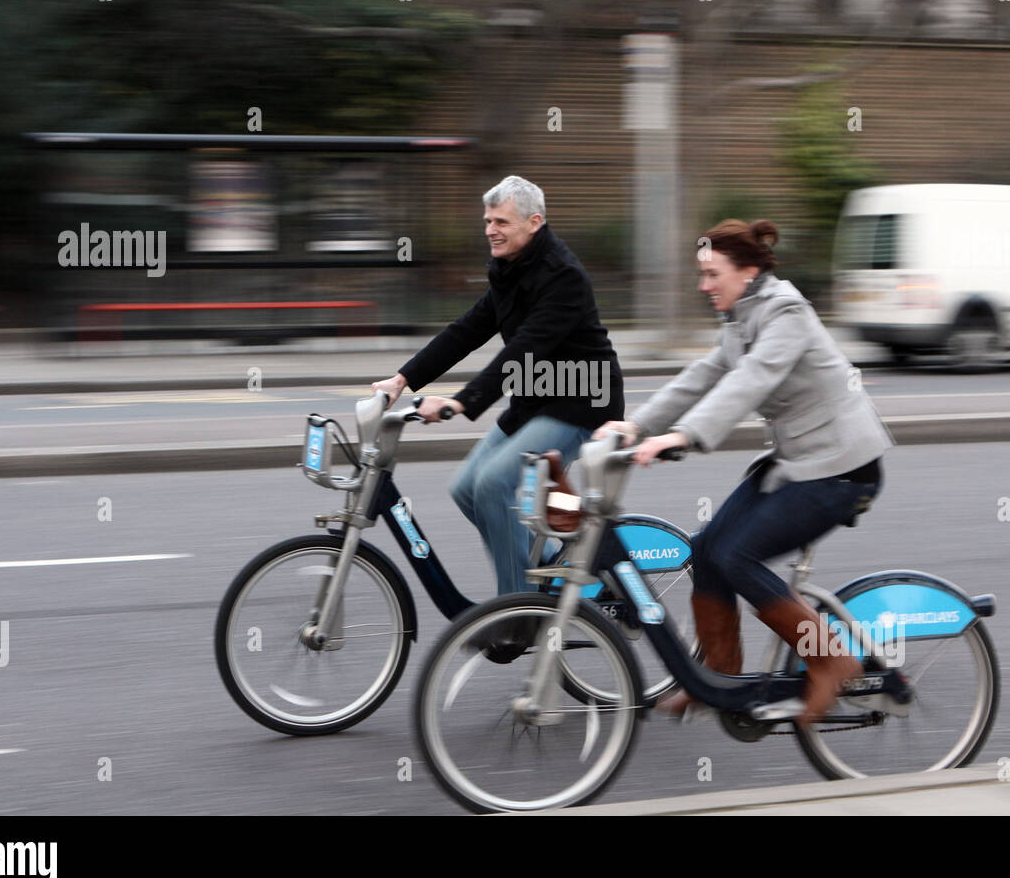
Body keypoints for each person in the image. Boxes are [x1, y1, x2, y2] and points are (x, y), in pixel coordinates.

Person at [594, 218, 894, 726]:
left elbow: (752, 382)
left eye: (712, 273)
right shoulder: (739, 318)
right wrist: (638, 425)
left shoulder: (786, 313)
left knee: (737, 556)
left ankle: (830, 658)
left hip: (843, 470)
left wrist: (685, 435)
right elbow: (702, 377)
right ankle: (719, 678)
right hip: (798, 465)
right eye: (701, 274)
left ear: (748, 270)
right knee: (707, 550)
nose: (703, 285)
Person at [372, 175, 625, 594]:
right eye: (488, 220)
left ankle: (517, 612)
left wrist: (460, 402)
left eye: (502, 222)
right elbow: (467, 329)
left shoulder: (562, 276)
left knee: (494, 484)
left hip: (581, 402)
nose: (491, 229)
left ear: (534, 222)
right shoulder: (510, 271)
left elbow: (524, 351)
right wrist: (404, 378)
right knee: (466, 489)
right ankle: (548, 577)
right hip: (537, 399)